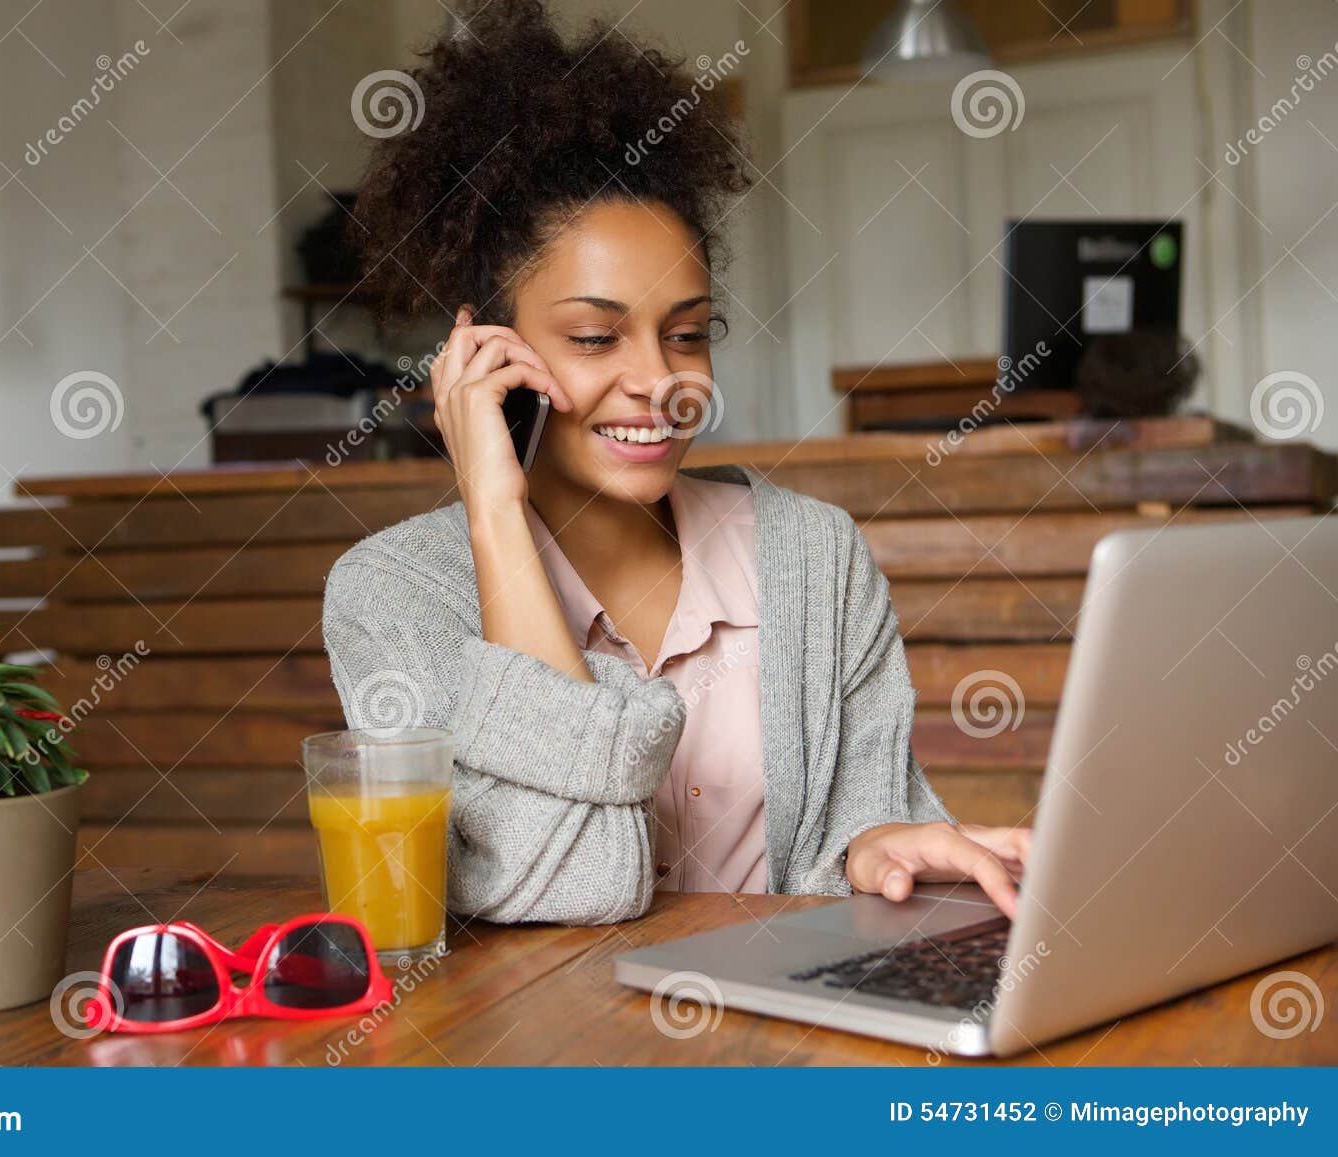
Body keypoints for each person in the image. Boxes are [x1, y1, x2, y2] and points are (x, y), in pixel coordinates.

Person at [323, 0, 1029, 925]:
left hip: (778, 1019)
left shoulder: (816, 558)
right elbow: (574, 885)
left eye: (687, 334)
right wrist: (493, 511)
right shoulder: (394, 595)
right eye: (594, 337)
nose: (660, 381)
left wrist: (870, 849)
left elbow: (861, 822)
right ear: (488, 351)